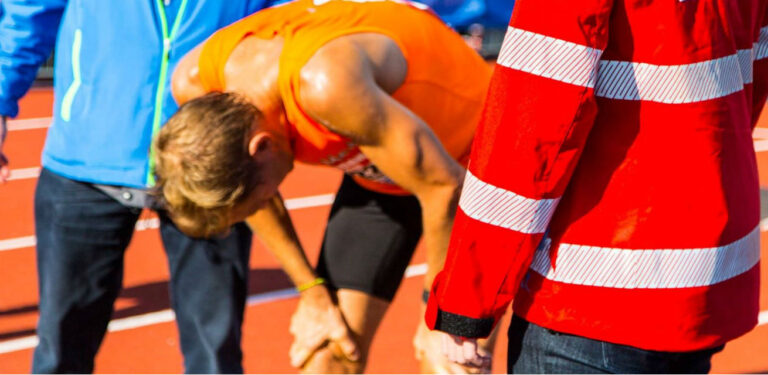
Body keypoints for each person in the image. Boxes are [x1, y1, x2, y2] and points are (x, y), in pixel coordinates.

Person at [427, 0, 768, 373]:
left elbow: (530, 129)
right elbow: (748, 84)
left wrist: (466, 303)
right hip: (703, 270)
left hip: (588, 294)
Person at [154, 0, 494, 372]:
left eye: (256, 204)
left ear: (262, 146)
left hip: (476, 165)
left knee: (450, 362)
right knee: (327, 355)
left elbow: (446, 187)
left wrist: (442, 314)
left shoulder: (325, 86)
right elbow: (250, 191)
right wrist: (312, 293)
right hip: (389, 168)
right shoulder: (196, 86)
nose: (259, 211)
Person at [0, 0, 280, 373]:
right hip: (85, 157)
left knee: (215, 357)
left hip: (212, 168)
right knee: (60, 351)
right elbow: (28, 12)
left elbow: (283, 30)